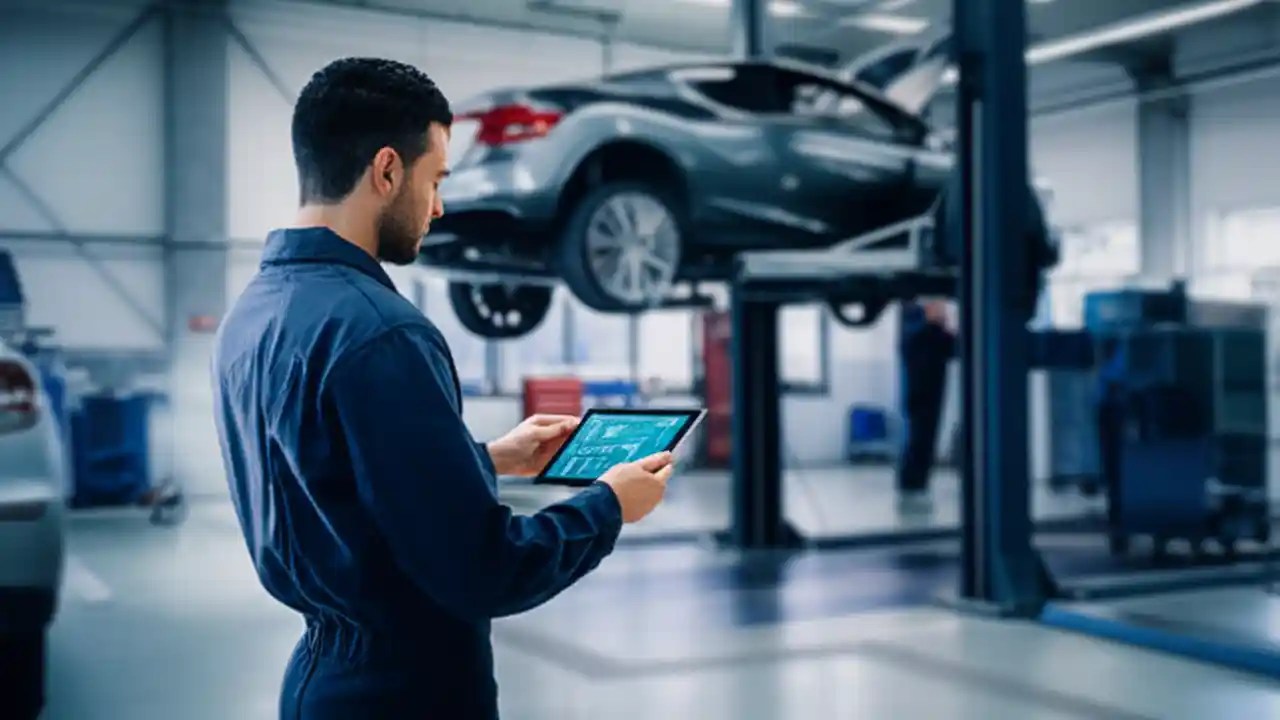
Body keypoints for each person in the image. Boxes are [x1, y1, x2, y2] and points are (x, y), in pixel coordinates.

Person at [211, 58, 674, 720]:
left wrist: (489, 459)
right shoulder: (382, 333)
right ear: (387, 170)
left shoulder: (254, 313)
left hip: (320, 681)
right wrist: (609, 506)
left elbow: (335, 482)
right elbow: (482, 569)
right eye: (434, 180)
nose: (439, 206)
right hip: (406, 693)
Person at [896, 298, 955, 514]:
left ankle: (913, 481)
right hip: (927, 396)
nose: (943, 312)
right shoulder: (931, 336)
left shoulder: (916, 337)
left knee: (918, 440)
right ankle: (915, 481)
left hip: (918, 396)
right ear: (929, 310)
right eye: (940, 308)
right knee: (922, 441)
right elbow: (954, 343)